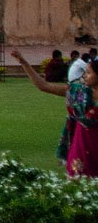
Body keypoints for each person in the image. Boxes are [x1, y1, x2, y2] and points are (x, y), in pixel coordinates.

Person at [13, 49, 98, 178]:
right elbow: (43, 86)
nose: (84, 75)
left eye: (88, 73)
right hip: (81, 150)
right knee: (78, 185)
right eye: (84, 72)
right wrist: (23, 62)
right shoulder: (78, 92)